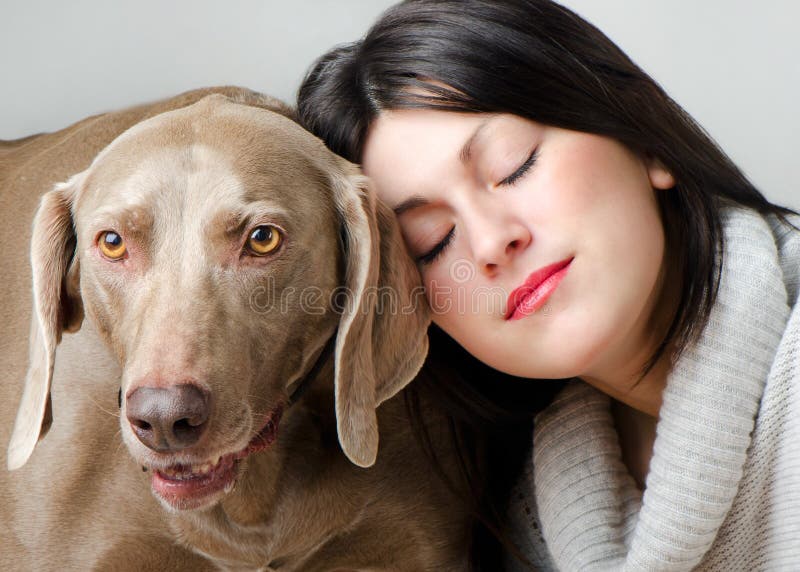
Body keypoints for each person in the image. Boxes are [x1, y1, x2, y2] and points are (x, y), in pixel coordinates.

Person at [297, 0, 800, 569]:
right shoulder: (524, 526)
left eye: (514, 166)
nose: (489, 243)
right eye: (432, 242)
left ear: (643, 140)